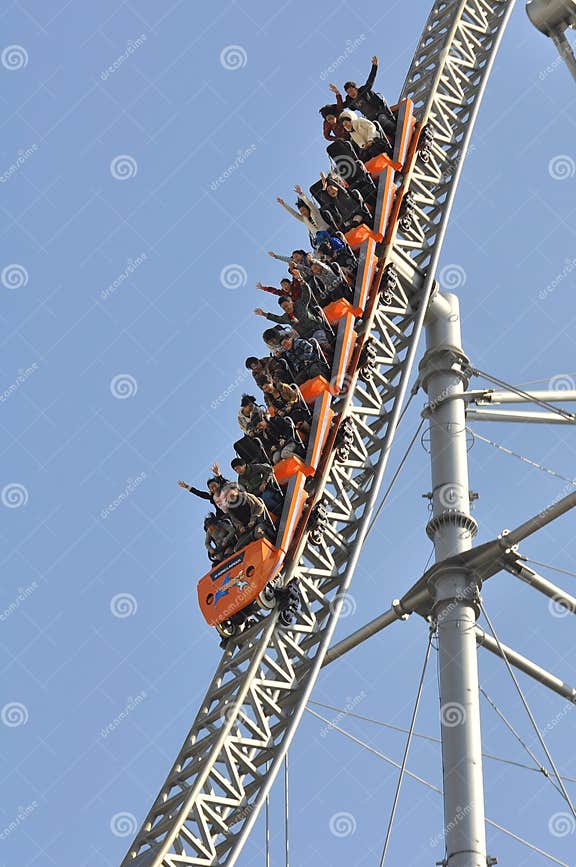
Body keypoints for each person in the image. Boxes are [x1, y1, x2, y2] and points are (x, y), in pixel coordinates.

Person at [254, 276, 332, 352]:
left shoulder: (300, 304)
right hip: (307, 337)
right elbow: (276, 318)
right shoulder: (286, 317)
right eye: (283, 308)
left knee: (322, 344)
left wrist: (301, 280)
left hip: (316, 329)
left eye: (286, 306)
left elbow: (306, 294)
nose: (286, 309)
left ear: (291, 303)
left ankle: (331, 350)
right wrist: (263, 314)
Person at [341, 56, 396, 140]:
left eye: (352, 90)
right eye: (348, 92)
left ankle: (395, 131)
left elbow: (370, 80)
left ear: (356, 89)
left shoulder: (364, 90)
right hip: (371, 118)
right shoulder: (350, 101)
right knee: (372, 129)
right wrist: (337, 94)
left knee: (382, 120)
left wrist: (374, 66)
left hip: (379, 111)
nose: (351, 93)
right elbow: (340, 106)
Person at [264, 329, 330, 386]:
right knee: (298, 380)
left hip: (312, 361)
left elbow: (309, 348)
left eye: (285, 343)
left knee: (314, 370)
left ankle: (327, 382)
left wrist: (304, 359)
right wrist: (298, 367)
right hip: (303, 367)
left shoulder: (298, 342)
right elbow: (294, 362)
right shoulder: (287, 352)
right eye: (283, 345)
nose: (285, 345)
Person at [224, 485, 276, 549]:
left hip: (258, 521)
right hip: (247, 529)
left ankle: (273, 546)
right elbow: (235, 521)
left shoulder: (246, 496)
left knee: (258, 533)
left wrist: (253, 520)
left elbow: (260, 507)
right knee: (237, 548)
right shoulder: (230, 508)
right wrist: (241, 527)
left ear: (235, 490)